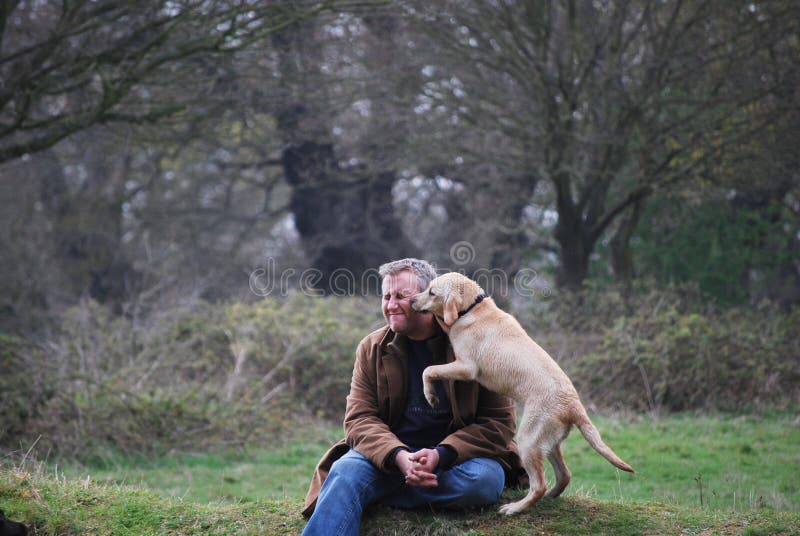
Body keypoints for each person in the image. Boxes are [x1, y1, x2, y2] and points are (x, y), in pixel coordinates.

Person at [301, 258, 524, 536]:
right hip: (388, 461)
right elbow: (359, 419)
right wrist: (399, 457)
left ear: (425, 297)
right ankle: (384, 487)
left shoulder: (481, 344)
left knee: (484, 482)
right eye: (386, 296)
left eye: (400, 296)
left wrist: (440, 455)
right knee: (345, 472)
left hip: (458, 463)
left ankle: (372, 493)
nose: (390, 305)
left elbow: (499, 424)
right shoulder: (371, 348)